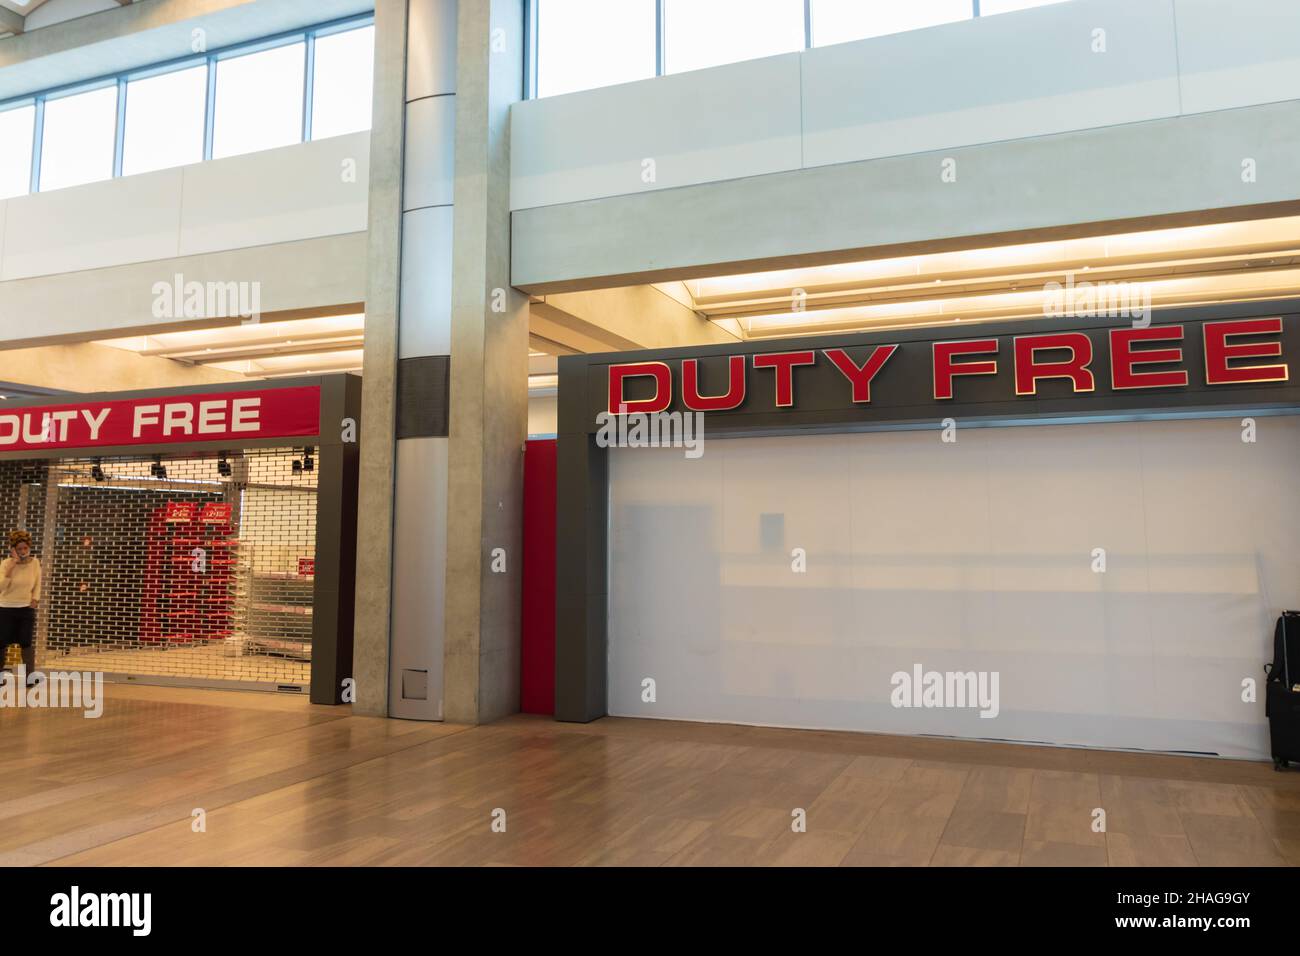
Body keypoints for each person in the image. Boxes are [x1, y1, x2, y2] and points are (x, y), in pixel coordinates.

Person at [0, 530, 41, 685]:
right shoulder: (5, 564)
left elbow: (37, 583)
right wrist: (11, 568)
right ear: (13, 550)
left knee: (26, 643)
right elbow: (1, 587)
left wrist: (36, 598)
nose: (23, 551)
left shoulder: (35, 563)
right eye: (20, 549)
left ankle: (30, 678)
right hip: (5, 609)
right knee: (1, 642)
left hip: (25, 609)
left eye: (25, 548)